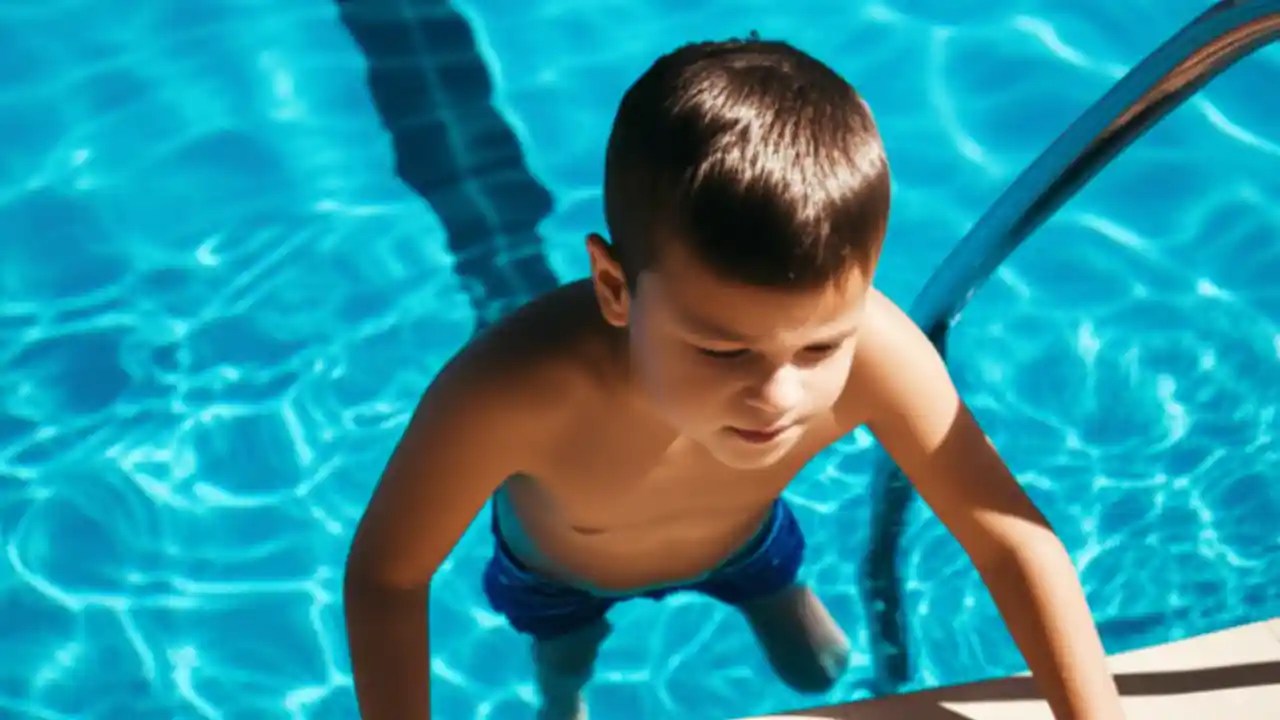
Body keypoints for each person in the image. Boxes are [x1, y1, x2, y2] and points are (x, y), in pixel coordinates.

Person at [342, 36, 1125, 720]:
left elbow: (1012, 541)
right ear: (617, 291)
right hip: (560, 576)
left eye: (820, 349)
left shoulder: (879, 352)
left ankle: (769, 596)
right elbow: (387, 576)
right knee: (563, 674)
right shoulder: (513, 393)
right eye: (722, 352)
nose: (778, 397)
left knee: (820, 667)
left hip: (742, 540)